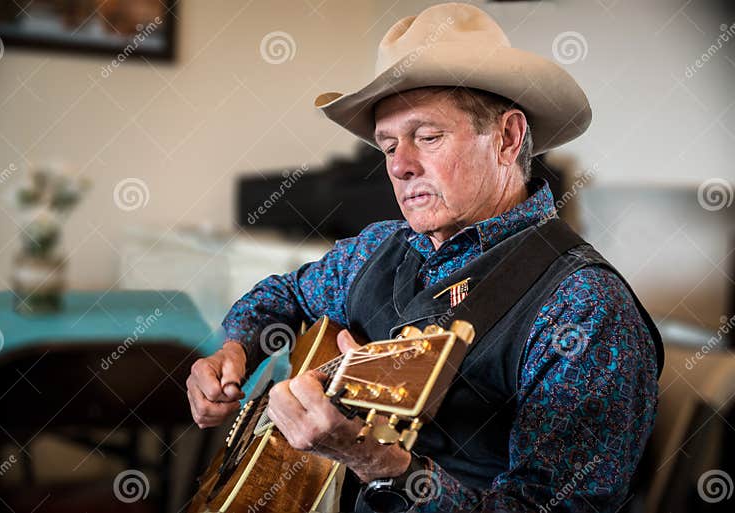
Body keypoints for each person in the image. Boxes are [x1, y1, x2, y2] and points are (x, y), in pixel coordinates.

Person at [186, 3, 664, 512]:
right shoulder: (377, 246)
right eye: (388, 146)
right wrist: (236, 349)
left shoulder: (585, 309)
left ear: (507, 138)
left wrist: (380, 465)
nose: (401, 166)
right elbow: (283, 294)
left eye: (428, 137)